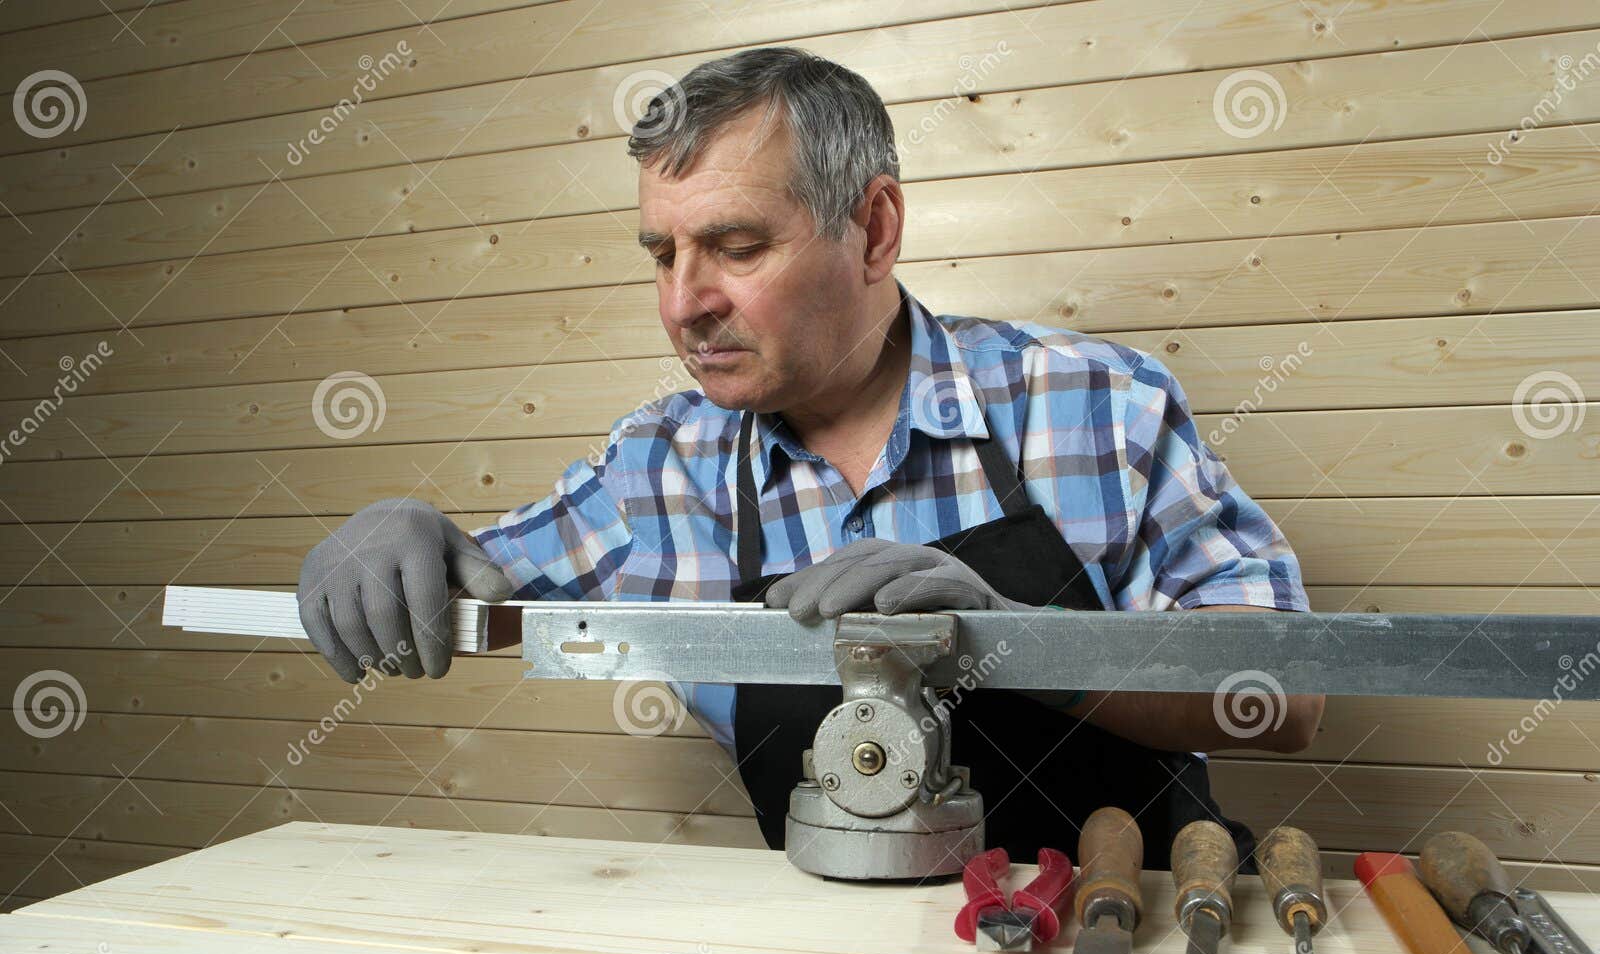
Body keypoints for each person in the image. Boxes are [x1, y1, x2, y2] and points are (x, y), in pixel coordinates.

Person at [296, 47, 1324, 870]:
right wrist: (407, 532)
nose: (682, 302)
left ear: (872, 229)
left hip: (1130, 919)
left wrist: (1017, 642)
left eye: (736, 247)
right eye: (663, 253)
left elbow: (1283, 690)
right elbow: (470, 575)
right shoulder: (659, 468)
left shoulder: (1090, 402)